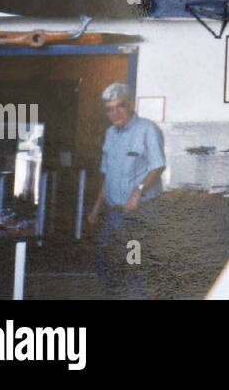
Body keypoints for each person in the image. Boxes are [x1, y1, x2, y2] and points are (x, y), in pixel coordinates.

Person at [86, 82, 165, 298]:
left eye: (120, 106)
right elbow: (108, 175)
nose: (115, 113)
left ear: (130, 104)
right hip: (114, 214)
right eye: (110, 109)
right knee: (105, 260)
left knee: (134, 263)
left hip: (139, 214)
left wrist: (138, 191)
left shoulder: (147, 129)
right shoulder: (110, 133)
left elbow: (158, 165)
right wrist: (95, 209)